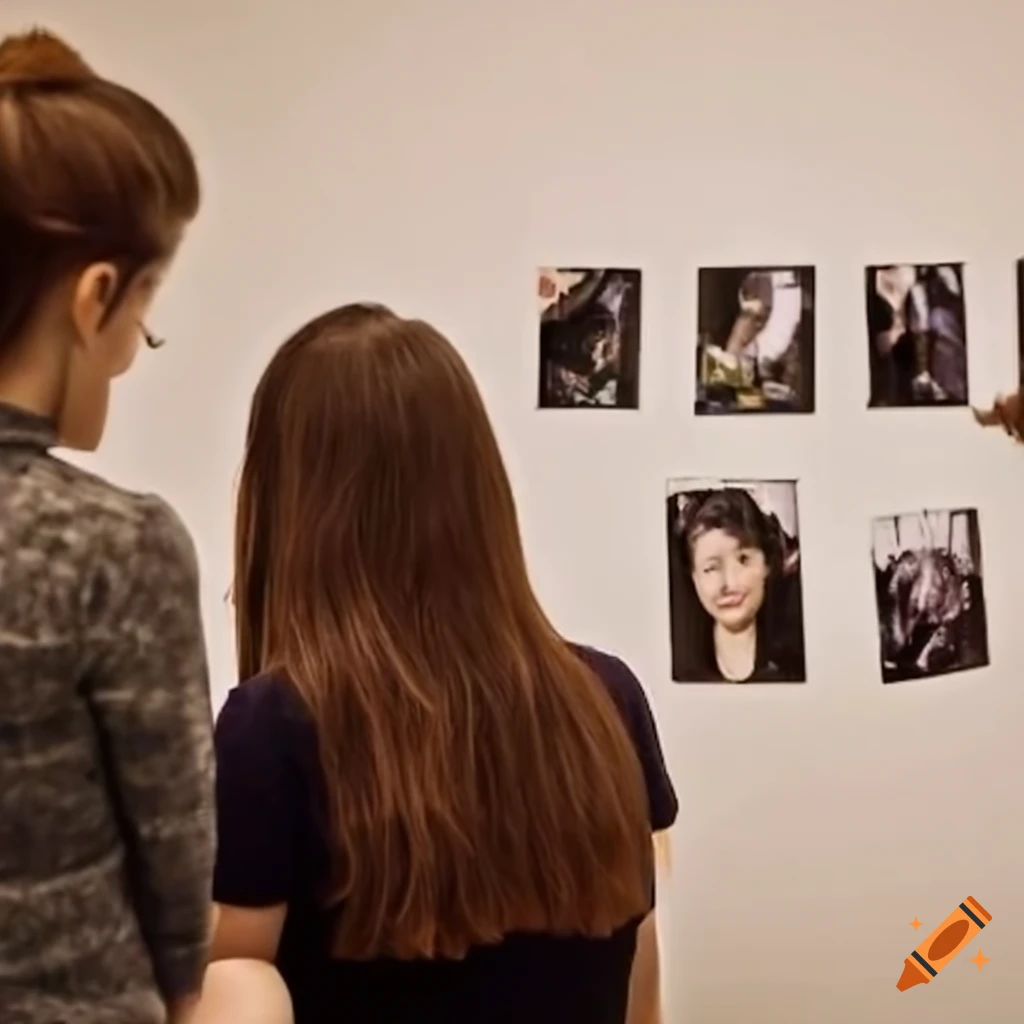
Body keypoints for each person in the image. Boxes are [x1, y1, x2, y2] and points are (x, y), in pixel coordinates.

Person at [205, 303, 678, 1024]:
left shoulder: (271, 730)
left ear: (288, 500)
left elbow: (228, 988)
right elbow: (639, 970)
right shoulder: (607, 695)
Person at [0, 29, 216, 1024]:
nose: (136, 348)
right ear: (94, 300)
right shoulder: (115, 546)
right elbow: (176, 858)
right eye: (147, 316)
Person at [669, 487, 805, 682]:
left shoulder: (793, 665)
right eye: (711, 568)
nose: (729, 584)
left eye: (743, 560)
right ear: (694, 577)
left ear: (766, 563)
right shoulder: (684, 671)